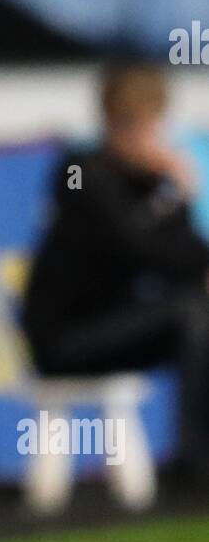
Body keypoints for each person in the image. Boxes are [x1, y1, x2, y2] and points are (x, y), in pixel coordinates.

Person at [22, 63, 209, 484]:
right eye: (136, 123)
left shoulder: (147, 181)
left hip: (116, 324)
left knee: (197, 309)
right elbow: (140, 248)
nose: (149, 136)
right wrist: (175, 193)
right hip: (64, 337)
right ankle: (195, 469)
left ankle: (198, 458)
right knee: (190, 313)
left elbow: (187, 259)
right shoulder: (79, 174)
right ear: (112, 121)